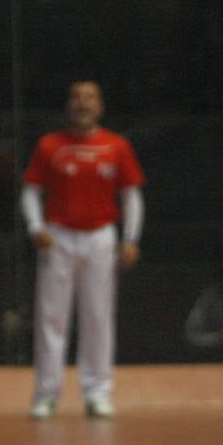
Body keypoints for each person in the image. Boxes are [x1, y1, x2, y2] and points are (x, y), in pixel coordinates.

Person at [21, 81, 144, 419]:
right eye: (76, 97)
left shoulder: (116, 146)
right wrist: (36, 227)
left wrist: (130, 239)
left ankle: (98, 392)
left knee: (99, 317)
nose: (82, 103)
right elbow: (31, 191)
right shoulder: (50, 146)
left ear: (100, 106)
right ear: (68, 105)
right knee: (51, 318)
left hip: (101, 238)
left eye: (89, 98)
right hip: (58, 238)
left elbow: (132, 195)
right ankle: (46, 394)